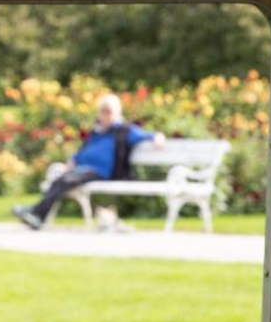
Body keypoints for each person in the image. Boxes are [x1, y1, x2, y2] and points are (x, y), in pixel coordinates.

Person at [12, 93, 165, 230]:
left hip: (102, 172)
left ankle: (37, 214)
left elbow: (149, 135)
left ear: (117, 113)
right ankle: (36, 214)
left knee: (65, 179)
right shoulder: (97, 133)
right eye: (102, 111)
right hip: (84, 169)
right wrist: (73, 160)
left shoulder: (124, 130)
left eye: (108, 111)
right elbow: (83, 152)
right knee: (61, 179)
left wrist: (158, 138)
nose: (105, 115)